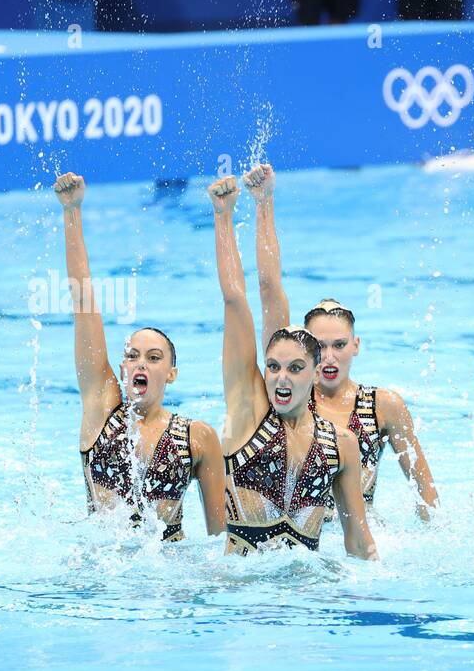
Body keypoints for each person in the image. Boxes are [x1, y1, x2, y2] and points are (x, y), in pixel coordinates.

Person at [243, 163, 439, 522]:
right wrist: (263, 202)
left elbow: (425, 493)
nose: (330, 356)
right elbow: (269, 290)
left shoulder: (384, 406)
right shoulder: (287, 394)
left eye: (339, 345)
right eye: (320, 347)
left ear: (356, 346)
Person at [209, 174, 377, 558]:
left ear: (316, 374)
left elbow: (359, 540)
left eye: (295, 368)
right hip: (239, 598)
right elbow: (236, 300)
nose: (281, 377)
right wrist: (223, 215)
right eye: (272, 366)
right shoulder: (248, 413)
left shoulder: (341, 443)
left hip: (311, 599)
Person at [54, 171, 225, 541]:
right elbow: (83, 304)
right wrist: (72, 212)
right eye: (132, 356)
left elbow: (219, 540)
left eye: (153, 357)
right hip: (105, 571)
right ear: (122, 368)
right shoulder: (101, 412)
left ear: (172, 373)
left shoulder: (198, 437)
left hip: (169, 571)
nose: (141, 364)